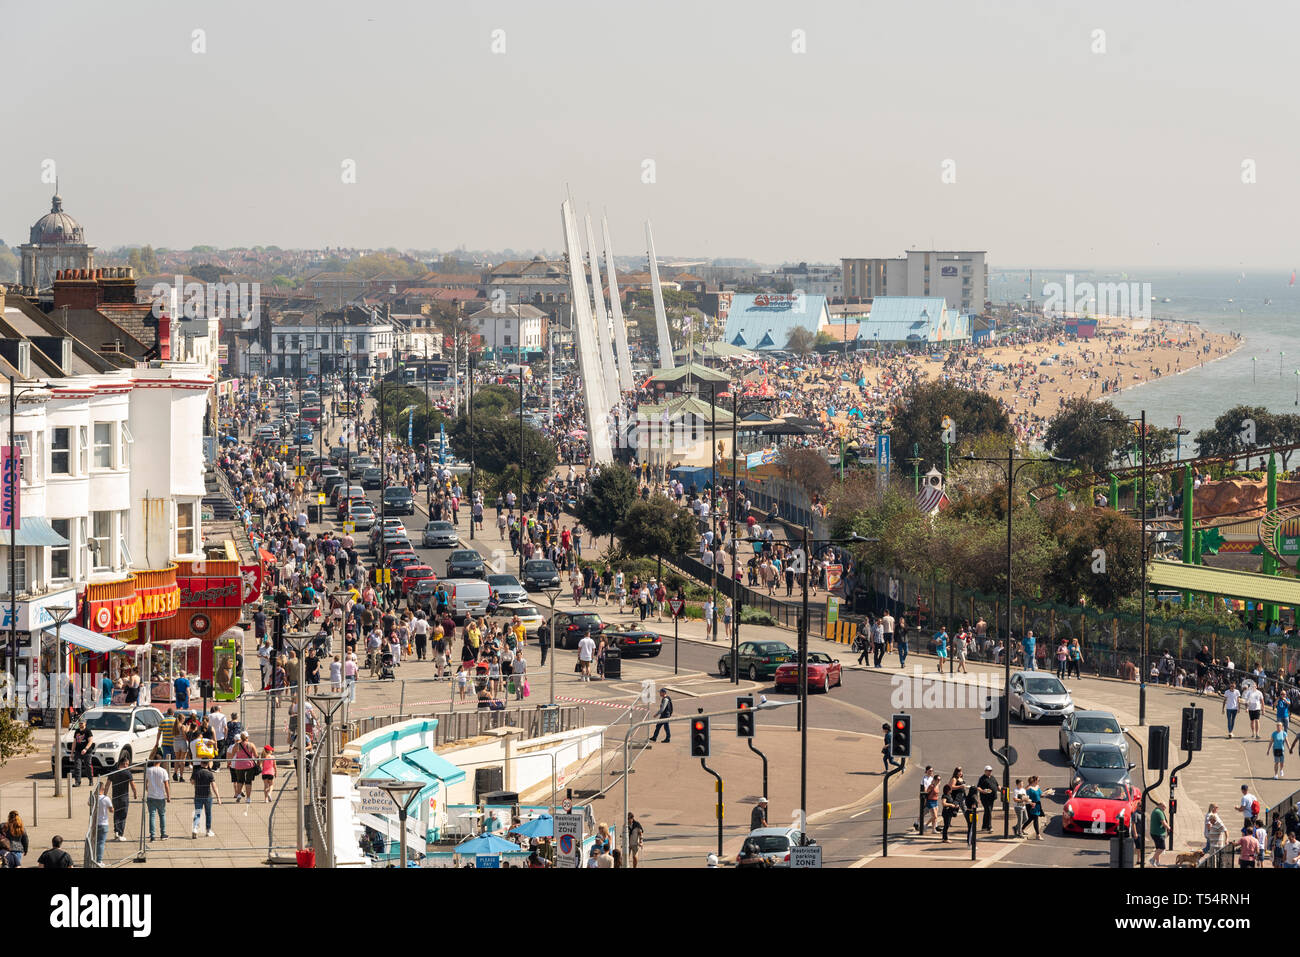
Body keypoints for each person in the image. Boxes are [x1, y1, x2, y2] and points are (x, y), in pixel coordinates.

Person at [107, 753, 137, 840]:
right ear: (124, 764)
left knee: (116, 814)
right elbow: (133, 785)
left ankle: (116, 831)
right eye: (127, 764)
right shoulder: (127, 773)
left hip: (115, 797)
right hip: (124, 797)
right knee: (123, 816)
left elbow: (107, 784)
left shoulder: (113, 772)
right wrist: (135, 793)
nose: (127, 765)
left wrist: (105, 795)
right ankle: (120, 834)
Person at [191, 760, 221, 839]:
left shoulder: (196, 772)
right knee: (208, 814)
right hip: (208, 796)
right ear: (208, 764)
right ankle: (208, 830)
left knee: (197, 813)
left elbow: (192, 781)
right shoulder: (209, 773)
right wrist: (218, 797)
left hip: (198, 795)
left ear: (201, 763)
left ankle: (195, 828)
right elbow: (214, 786)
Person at [144, 759, 170, 841]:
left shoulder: (148, 770)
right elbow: (166, 785)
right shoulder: (163, 771)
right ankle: (163, 834)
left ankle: (152, 835)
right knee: (162, 815)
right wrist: (168, 796)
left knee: (152, 815)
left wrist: (147, 789)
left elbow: (146, 782)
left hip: (151, 796)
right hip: (160, 796)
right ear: (160, 761)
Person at [70, 718, 95, 787]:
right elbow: (74, 742)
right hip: (78, 751)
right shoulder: (77, 731)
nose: (80, 725)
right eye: (80, 723)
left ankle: (91, 780)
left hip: (87, 752)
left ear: (85, 724)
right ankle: (77, 782)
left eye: (82, 723)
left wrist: (85, 749)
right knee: (77, 766)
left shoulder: (88, 731)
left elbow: (90, 741)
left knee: (88, 766)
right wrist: (72, 753)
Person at [94, 782, 113, 864]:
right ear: (103, 789)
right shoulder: (106, 798)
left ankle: (93, 858)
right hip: (103, 822)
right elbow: (111, 810)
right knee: (101, 842)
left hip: (94, 823)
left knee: (94, 842)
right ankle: (99, 860)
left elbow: (88, 804)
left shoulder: (93, 798)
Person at [976, 766, 998, 831]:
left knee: (988, 811)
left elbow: (997, 785)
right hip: (985, 798)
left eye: (991, 770)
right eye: (988, 770)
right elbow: (978, 787)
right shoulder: (982, 778)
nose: (990, 772)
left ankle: (984, 826)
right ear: (985, 771)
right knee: (988, 811)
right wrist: (983, 791)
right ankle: (989, 826)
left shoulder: (993, 777)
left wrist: (1002, 790)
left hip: (992, 798)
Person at [1024, 775, 1045, 840]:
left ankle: (1020, 829)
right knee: (1035, 819)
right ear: (1034, 780)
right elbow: (1026, 798)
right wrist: (1031, 803)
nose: (1038, 781)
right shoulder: (1029, 789)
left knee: (1030, 819)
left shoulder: (1037, 787)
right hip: (1031, 805)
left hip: (1038, 805)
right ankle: (1038, 835)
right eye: (1038, 780)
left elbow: (1041, 795)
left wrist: (1047, 793)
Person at [1149, 799, 1168, 867]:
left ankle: (1157, 862)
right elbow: (1164, 823)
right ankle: (1152, 859)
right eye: (1164, 807)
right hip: (1158, 833)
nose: (1164, 808)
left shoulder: (1155, 811)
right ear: (1160, 805)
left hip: (1154, 833)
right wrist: (1169, 828)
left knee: (1158, 848)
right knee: (1162, 848)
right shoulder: (1159, 812)